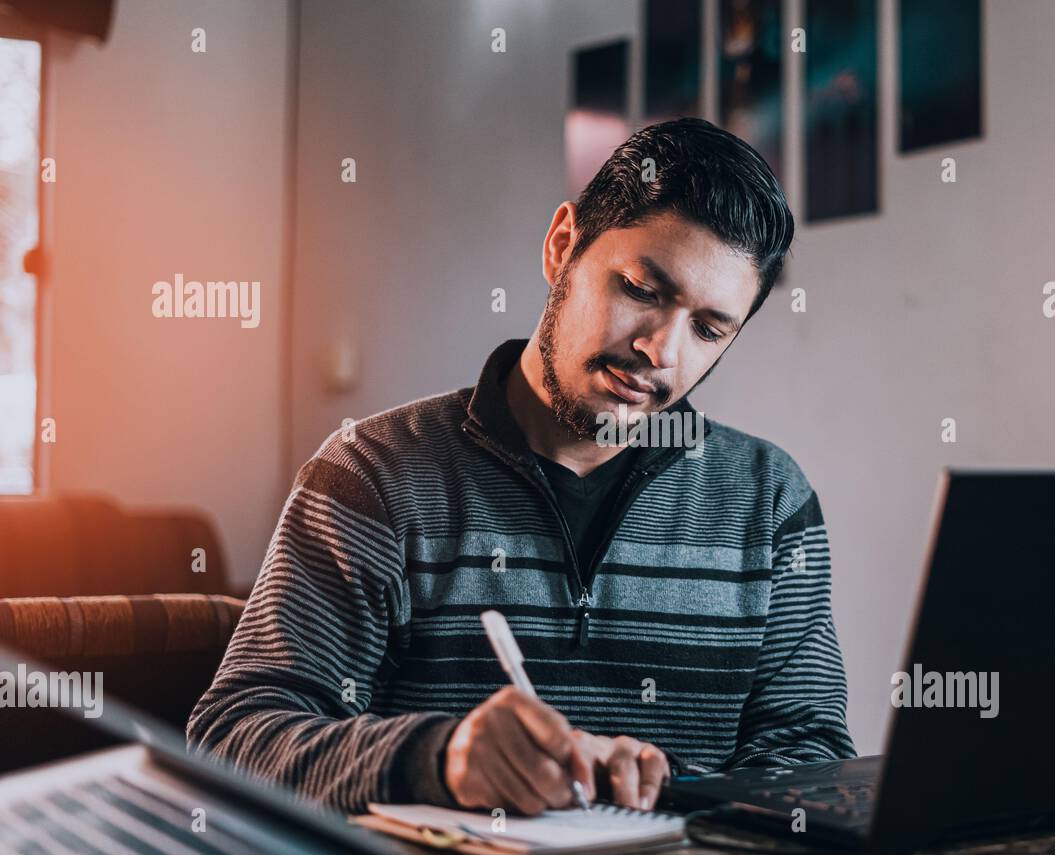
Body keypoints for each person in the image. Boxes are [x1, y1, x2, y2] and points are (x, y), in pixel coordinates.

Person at [187, 117, 856, 817]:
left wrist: (668, 784)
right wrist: (438, 760)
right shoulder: (372, 477)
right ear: (562, 245)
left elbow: (810, 760)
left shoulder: (772, 503)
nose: (661, 350)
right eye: (640, 289)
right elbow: (234, 741)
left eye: (709, 329)